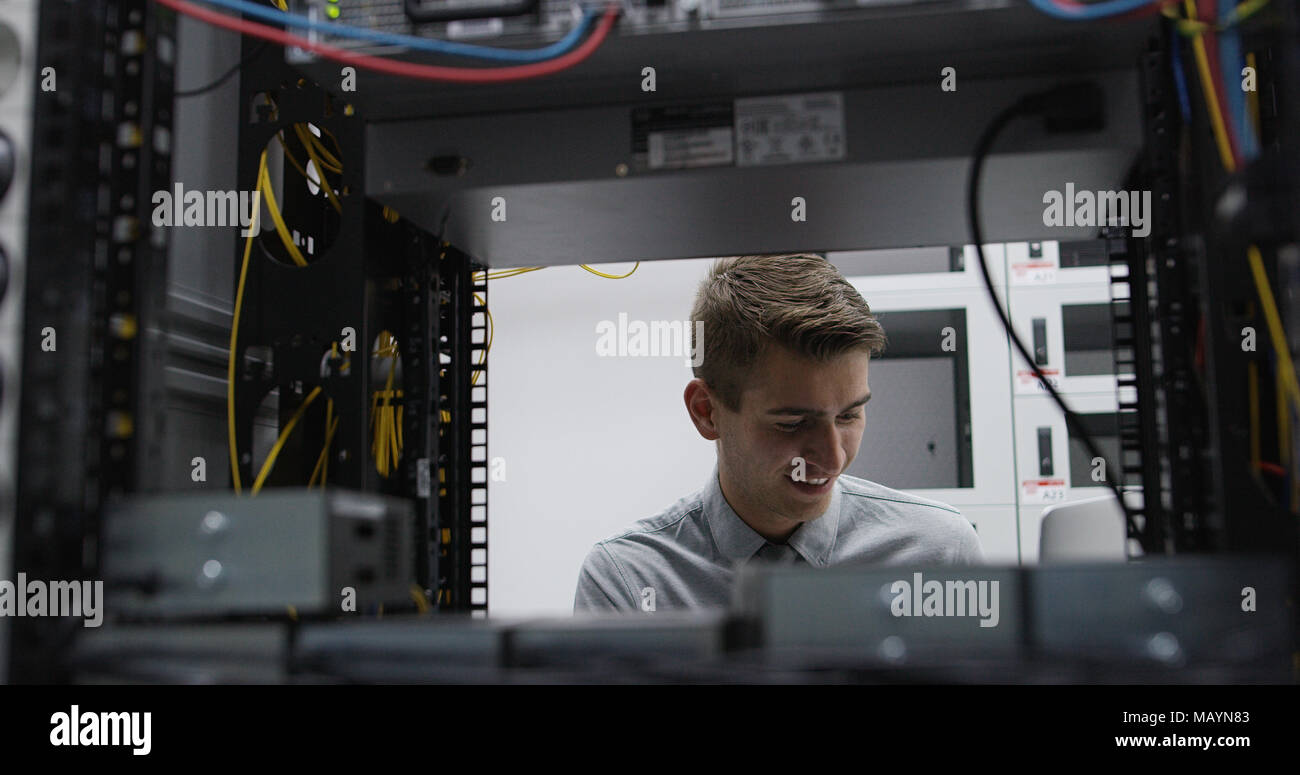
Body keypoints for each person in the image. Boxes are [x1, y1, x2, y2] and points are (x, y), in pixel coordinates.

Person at [573, 254, 983, 612]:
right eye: (792, 423)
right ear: (706, 412)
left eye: (849, 416)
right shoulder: (626, 582)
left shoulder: (940, 554)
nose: (833, 458)